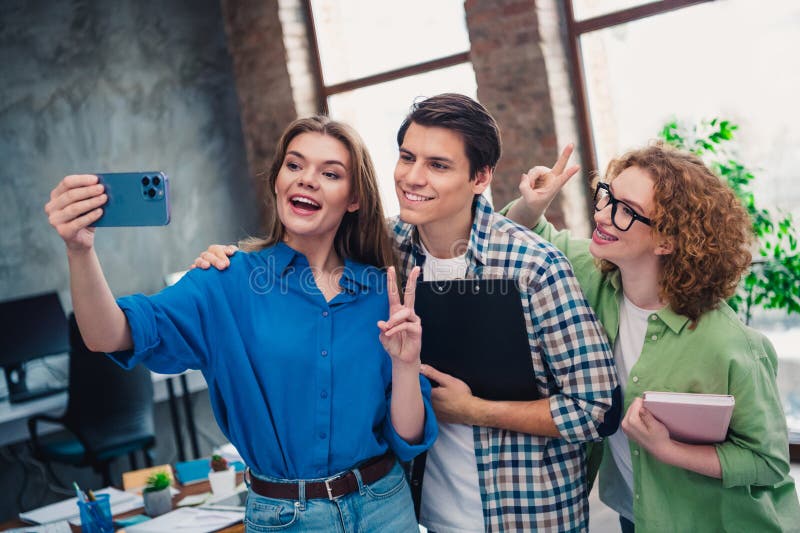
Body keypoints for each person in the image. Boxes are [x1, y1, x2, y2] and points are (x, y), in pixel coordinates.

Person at [194, 93, 621, 532]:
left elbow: (599, 408)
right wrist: (227, 258)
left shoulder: (534, 267)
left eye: (438, 165)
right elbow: (302, 239)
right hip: (419, 516)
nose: (412, 178)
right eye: (406, 157)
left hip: (526, 516)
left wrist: (477, 410)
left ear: (481, 177)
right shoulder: (383, 248)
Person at [45, 115, 437, 532]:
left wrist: (406, 364)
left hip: (385, 507)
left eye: (330, 173)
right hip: (287, 520)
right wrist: (79, 250)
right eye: (294, 165)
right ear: (277, 180)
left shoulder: (382, 291)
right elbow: (107, 334)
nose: (306, 179)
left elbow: (408, 437)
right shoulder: (226, 281)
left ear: (354, 198)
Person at [503, 142, 800, 532]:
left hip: (716, 523)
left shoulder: (730, 345)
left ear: (668, 241)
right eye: (608, 196)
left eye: (627, 211)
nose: (604, 215)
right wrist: (533, 204)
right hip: (638, 513)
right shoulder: (594, 275)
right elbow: (522, 237)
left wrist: (668, 449)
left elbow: (769, 462)